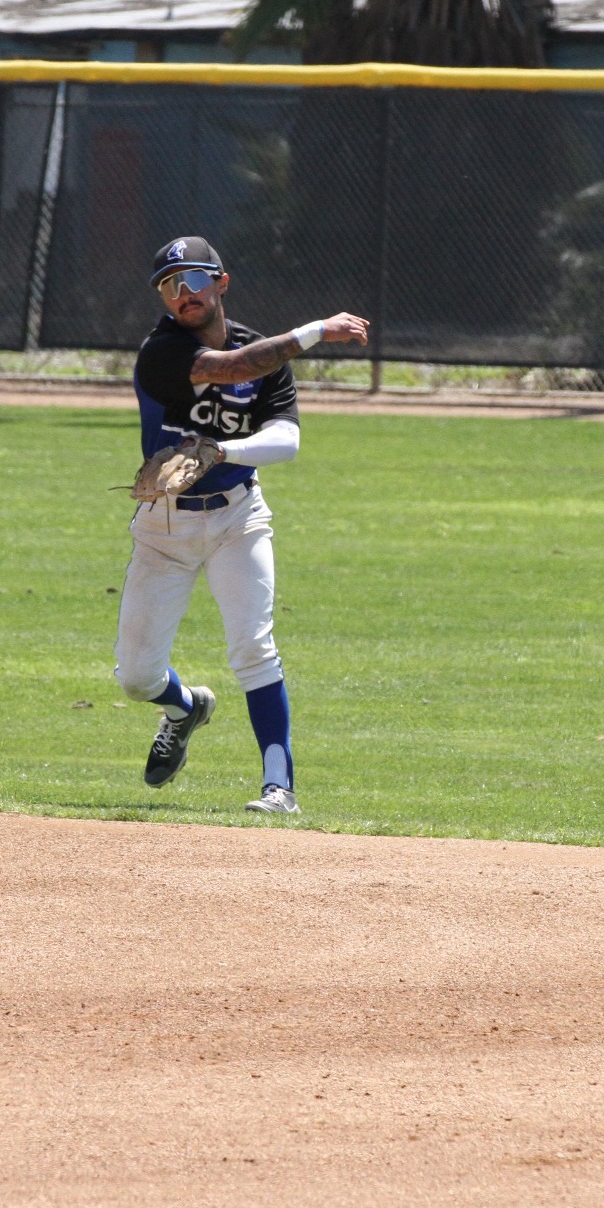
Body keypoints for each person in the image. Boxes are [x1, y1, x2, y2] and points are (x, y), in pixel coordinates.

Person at [115, 235, 369, 814]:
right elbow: (229, 369)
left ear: (222, 283)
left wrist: (222, 453)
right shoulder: (162, 350)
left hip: (238, 517)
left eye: (194, 279)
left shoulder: (266, 355)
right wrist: (315, 331)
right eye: (169, 286)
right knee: (136, 677)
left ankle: (279, 787)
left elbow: (287, 440)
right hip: (163, 527)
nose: (183, 293)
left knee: (253, 646)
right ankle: (185, 708)